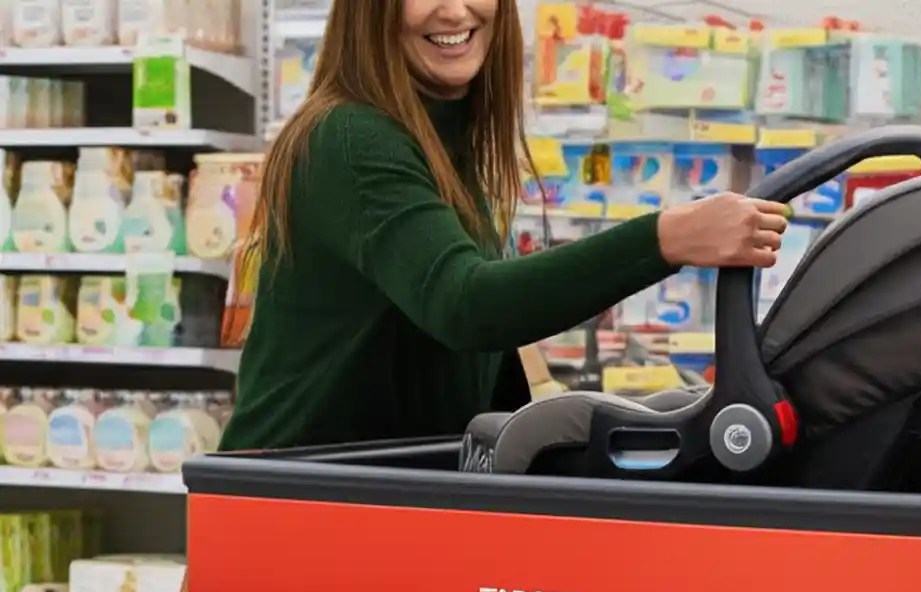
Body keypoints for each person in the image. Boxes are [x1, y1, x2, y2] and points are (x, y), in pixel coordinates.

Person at [218, 0, 790, 451]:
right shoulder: (352, 139)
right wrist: (668, 238)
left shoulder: (443, 137)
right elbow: (464, 304)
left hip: (358, 493)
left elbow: (462, 342)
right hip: (293, 506)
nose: (456, 11)